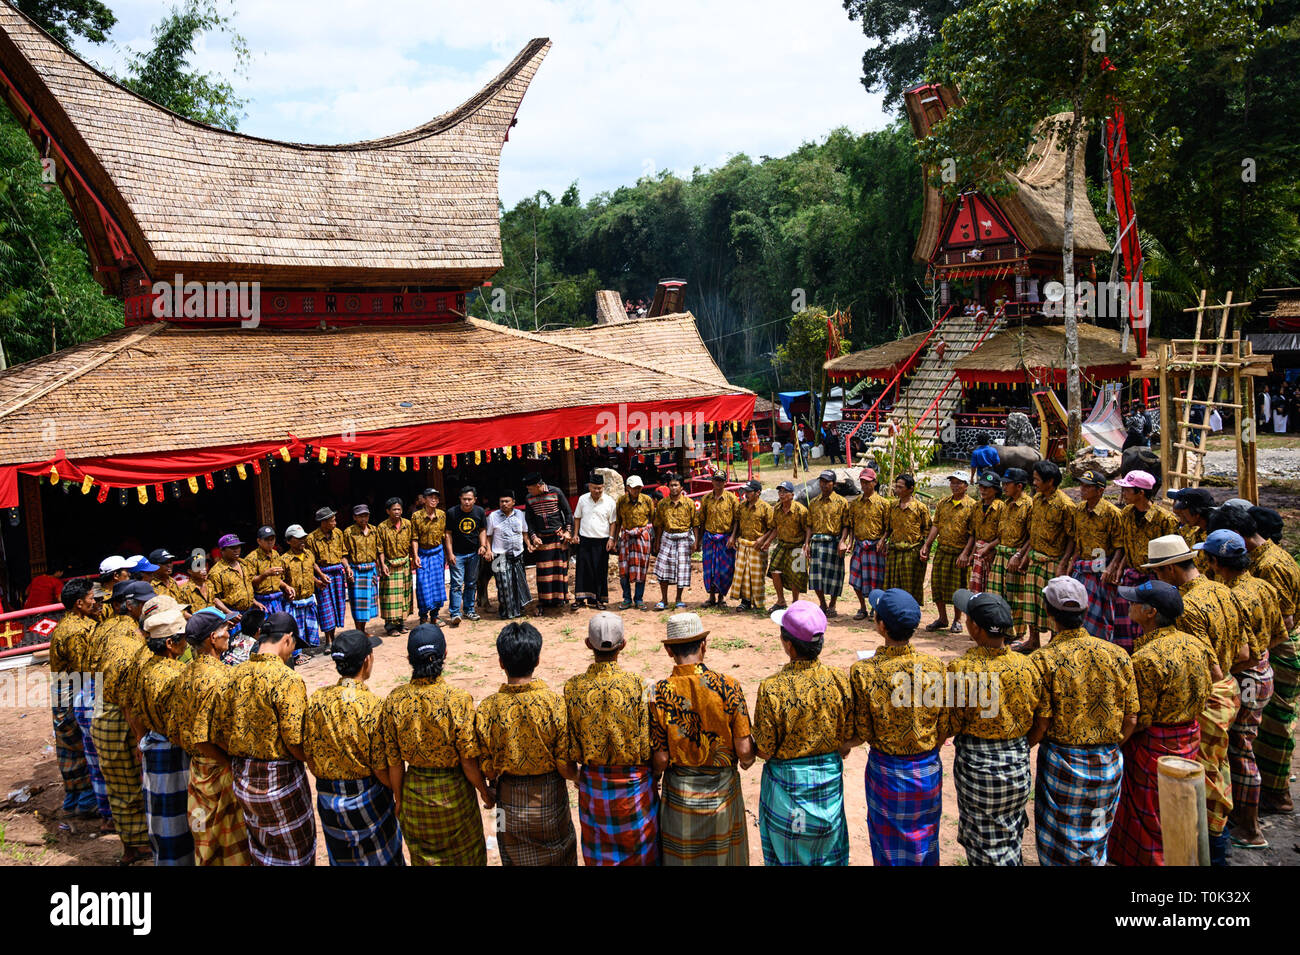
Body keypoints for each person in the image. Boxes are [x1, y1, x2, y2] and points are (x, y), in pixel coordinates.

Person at [1142, 532, 1241, 864]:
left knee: (1204, 782)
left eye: (1156, 573)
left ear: (1170, 570)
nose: (1156, 578)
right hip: (1229, 687)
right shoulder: (1221, 590)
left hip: (1207, 698)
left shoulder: (1185, 605)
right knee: (1216, 774)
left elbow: (1207, 668)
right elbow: (1241, 650)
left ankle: (1213, 855)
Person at [1028, 577, 1138, 866]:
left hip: (1062, 762)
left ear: (1049, 613)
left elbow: (1041, 723)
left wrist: (1026, 746)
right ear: (1086, 611)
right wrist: (1112, 745)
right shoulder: (1117, 654)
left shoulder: (1043, 660)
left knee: (1059, 842)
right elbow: (1131, 717)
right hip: (1108, 761)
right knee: (1096, 837)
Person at [1108, 581, 1212, 865]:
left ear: (1150, 612)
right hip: (1188, 736)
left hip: (1153, 746)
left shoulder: (1146, 659)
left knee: (1149, 817)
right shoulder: (1196, 644)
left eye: (1134, 602)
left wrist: (1115, 745)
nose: (1128, 605)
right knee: (1175, 810)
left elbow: (1139, 720)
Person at [945, 589, 1042, 865]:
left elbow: (951, 722)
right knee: (1010, 835)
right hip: (1017, 765)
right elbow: (1040, 719)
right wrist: (1020, 746)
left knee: (984, 847)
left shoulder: (961, 668)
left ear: (975, 628)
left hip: (978, 769)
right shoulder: (1027, 667)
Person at [849, 588, 946, 865]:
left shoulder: (865, 671)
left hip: (887, 772)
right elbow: (944, 721)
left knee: (887, 843)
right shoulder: (935, 666)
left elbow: (864, 730)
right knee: (927, 840)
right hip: (927, 769)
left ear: (881, 626)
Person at [381, 624, 492, 865]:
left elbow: (395, 762)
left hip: (416, 797)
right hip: (456, 798)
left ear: (409, 658)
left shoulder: (394, 701)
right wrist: (484, 792)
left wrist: (399, 800)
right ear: (445, 655)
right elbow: (468, 761)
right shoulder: (457, 699)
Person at [650, 612, 754, 865]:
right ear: (704, 645)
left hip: (680, 796)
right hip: (723, 796)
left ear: (668, 650)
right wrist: (747, 761)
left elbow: (661, 758)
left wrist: (653, 778)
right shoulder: (729, 685)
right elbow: (743, 750)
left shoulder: (657, 692)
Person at [755, 602, 852, 865]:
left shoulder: (771, 688)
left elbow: (764, 749)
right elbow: (847, 738)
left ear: (788, 645)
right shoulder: (839, 680)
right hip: (827, 788)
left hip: (787, 793)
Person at [1200, 529, 1279, 851]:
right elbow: (1281, 630)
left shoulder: (1232, 595)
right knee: (1240, 747)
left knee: (1239, 750)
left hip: (1244, 677)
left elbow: (1243, 653)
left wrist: (1222, 675)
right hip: (1262, 671)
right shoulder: (1261, 586)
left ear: (1216, 562)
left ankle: (1249, 827)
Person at [475, 622, 578, 865]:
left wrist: (488, 790)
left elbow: (488, 768)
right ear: (538, 660)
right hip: (551, 799)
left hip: (506, 803)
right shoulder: (554, 704)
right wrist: (579, 778)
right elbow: (564, 764)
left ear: (501, 662)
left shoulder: (488, 708)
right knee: (560, 853)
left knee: (509, 854)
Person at [219, 612, 315, 866]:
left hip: (243, 777)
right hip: (279, 780)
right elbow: (295, 739)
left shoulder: (234, 674)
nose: (292, 652)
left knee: (261, 850)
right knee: (295, 852)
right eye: (294, 646)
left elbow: (223, 726)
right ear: (287, 640)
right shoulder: (287, 679)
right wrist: (312, 763)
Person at [303, 629, 404, 866]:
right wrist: (398, 794)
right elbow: (381, 768)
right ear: (367, 660)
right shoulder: (373, 706)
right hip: (367, 797)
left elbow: (309, 752)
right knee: (381, 857)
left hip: (329, 798)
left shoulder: (317, 699)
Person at [564, 612, 658, 865]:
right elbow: (654, 736)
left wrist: (577, 776)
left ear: (587, 644)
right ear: (623, 644)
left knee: (598, 856)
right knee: (643, 855)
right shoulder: (644, 684)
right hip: (635, 787)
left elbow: (568, 744)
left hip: (595, 786)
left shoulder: (572, 687)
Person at [170, 609, 250, 865]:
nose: (229, 634)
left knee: (206, 842)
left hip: (198, 773)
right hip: (221, 771)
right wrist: (229, 763)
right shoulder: (223, 678)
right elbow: (204, 737)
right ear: (212, 639)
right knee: (231, 844)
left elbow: (176, 729)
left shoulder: (184, 674)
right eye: (225, 630)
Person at [1236, 506, 1300, 815]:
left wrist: (1255, 655)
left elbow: (1284, 621)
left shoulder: (1271, 566)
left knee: (1275, 724)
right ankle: (1268, 787)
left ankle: (1279, 796)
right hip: (1272, 649)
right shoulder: (1264, 558)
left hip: (1282, 650)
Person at [88, 579, 156, 865]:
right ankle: (136, 847)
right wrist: (140, 736)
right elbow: (128, 697)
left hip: (103, 708)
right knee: (129, 783)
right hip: (118, 716)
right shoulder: (127, 640)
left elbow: (91, 669)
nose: (148, 606)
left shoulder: (104, 628)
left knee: (121, 783)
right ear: (127, 605)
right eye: (143, 602)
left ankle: (134, 843)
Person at [133, 598, 195, 866]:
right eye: (182, 638)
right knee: (183, 817)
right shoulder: (178, 675)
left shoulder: (145, 668)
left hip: (153, 749)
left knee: (161, 819)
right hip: (174, 752)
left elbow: (136, 712)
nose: (186, 643)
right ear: (170, 644)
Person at [1104, 470, 1179, 651]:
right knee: (1126, 625)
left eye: (1127, 490)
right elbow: (1123, 544)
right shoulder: (1127, 514)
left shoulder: (1165, 520)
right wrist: (1116, 567)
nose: (1123, 494)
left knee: (1150, 624)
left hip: (1154, 580)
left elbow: (1173, 556)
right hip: (1131, 577)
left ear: (1141, 493)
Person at [47, 578, 99, 819]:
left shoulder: (65, 626)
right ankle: (87, 800)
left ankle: (74, 799)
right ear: (79, 603)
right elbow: (83, 672)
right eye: (91, 597)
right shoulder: (77, 631)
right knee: (83, 743)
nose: (95, 600)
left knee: (68, 746)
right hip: (75, 690)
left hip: (63, 689)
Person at [1009, 461, 1073, 652]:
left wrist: (1063, 563)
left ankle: (1054, 642)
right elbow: (1032, 532)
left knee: (1052, 604)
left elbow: (1071, 537)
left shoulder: (1066, 505)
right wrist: (1024, 555)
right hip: (1034, 559)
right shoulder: (1036, 499)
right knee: (1032, 604)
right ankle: (1033, 641)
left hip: (1054, 562)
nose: (1034, 483)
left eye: (1037, 479)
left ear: (1050, 481)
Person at [1062, 469, 1122, 644]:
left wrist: (1111, 568)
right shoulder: (1079, 510)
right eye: (1081, 485)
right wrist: (1070, 563)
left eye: (1087, 487)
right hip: (1082, 568)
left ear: (1100, 490)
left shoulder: (1112, 513)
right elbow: (1075, 539)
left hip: (1102, 570)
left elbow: (1120, 545)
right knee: (1078, 610)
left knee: (1102, 615)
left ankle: (1100, 646)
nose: (1082, 489)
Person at [921, 472, 976, 633]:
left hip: (960, 552)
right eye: (952, 482)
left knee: (959, 588)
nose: (955, 486)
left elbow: (973, 533)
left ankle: (957, 620)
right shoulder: (943, 503)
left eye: (959, 483)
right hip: (942, 550)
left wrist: (966, 553)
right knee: (938, 585)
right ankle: (942, 617)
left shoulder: (973, 506)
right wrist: (928, 544)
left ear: (966, 486)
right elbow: (936, 525)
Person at [524, 473, 575, 612]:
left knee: (560, 569)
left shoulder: (556, 492)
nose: (529, 491)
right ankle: (546, 601)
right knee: (544, 571)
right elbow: (529, 520)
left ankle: (560, 599)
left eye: (530, 488)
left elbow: (568, 513)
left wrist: (568, 532)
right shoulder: (529, 498)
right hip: (542, 540)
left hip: (557, 536)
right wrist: (533, 537)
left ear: (539, 486)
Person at [846, 468, 891, 621]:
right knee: (856, 579)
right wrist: (850, 542)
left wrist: (883, 540)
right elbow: (851, 525)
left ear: (875, 482)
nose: (864, 485)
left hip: (876, 546)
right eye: (862, 482)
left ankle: (875, 607)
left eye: (867, 482)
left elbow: (888, 527)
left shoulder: (884, 504)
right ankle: (862, 607)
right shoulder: (855, 503)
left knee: (876, 580)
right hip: (859, 546)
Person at [805, 469, 850, 618]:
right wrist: (807, 544)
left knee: (834, 576)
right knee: (816, 576)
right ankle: (822, 602)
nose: (824, 485)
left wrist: (842, 541)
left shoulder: (842, 502)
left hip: (834, 542)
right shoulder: (813, 503)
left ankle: (832, 603)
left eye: (827, 482)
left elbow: (846, 525)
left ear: (834, 484)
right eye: (821, 482)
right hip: (817, 542)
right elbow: (809, 525)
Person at [882, 473, 931, 605]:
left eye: (900, 487)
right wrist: (883, 540)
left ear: (910, 489)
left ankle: (910, 611)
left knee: (911, 585)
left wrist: (925, 549)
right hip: (894, 551)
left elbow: (927, 530)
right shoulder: (892, 506)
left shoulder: (920, 508)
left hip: (912, 552)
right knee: (893, 584)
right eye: (896, 486)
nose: (897, 489)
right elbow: (889, 528)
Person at [443, 487, 489, 625]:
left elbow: (482, 530)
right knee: (456, 584)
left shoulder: (479, 511)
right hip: (457, 555)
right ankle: (455, 613)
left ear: (475, 499)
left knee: (471, 583)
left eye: (470, 499)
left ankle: (469, 610)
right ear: (460, 499)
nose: (467, 502)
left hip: (474, 554)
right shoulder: (452, 512)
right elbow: (448, 534)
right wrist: (450, 553)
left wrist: (483, 546)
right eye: (464, 499)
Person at [307, 507, 352, 644]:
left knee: (338, 605)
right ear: (324, 522)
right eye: (332, 521)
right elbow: (311, 561)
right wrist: (320, 575)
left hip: (337, 574)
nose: (335, 523)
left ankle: (334, 636)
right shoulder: (312, 538)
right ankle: (328, 640)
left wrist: (347, 567)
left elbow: (343, 555)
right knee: (326, 607)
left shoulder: (338, 533)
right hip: (323, 576)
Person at [573, 473, 618, 609]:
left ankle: (599, 600)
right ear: (589, 487)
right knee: (582, 570)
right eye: (594, 488)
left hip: (602, 540)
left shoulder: (609, 501)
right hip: (585, 539)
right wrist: (575, 534)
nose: (597, 491)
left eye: (599, 488)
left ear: (603, 487)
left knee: (600, 571)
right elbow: (577, 517)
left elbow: (613, 522)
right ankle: (580, 599)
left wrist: (611, 539)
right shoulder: (582, 499)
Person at [651, 472, 696, 610]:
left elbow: (695, 524)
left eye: (676, 485)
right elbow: (658, 525)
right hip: (667, 537)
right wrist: (657, 542)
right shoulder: (663, 504)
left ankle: (678, 599)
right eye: (671, 485)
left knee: (681, 570)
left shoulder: (689, 504)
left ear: (682, 487)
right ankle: (664, 599)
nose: (673, 488)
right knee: (663, 570)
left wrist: (695, 542)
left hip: (684, 538)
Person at [762, 480, 809, 610]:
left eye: (785, 492)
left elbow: (807, 530)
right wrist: (767, 541)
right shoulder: (776, 509)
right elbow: (776, 528)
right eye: (780, 492)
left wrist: (806, 545)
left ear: (792, 495)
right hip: (782, 545)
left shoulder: (801, 510)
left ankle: (795, 603)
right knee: (774, 571)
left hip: (797, 546)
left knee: (796, 576)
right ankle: (781, 601)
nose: (782, 495)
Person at [697, 469, 740, 608]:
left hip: (726, 539)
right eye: (716, 480)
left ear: (725, 482)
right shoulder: (706, 499)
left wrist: (733, 537)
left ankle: (721, 598)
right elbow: (702, 521)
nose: (718, 483)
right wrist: (699, 541)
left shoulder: (732, 499)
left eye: (721, 481)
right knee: (709, 569)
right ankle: (711, 597)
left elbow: (737, 521)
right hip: (709, 538)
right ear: (712, 481)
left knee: (724, 569)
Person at [729, 479, 773, 613]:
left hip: (757, 546)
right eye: (745, 491)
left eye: (749, 491)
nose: (746, 494)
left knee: (757, 575)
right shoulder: (742, 506)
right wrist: (733, 536)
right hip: (743, 543)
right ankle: (745, 602)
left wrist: (763, 539)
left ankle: (758, 602)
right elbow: (737, 522)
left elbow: (772, 528)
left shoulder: (766, 508)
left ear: (757, 493)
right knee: (743, 575)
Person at [282, 524, 326, 653]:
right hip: (295, 601)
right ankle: (297, 654)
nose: (302, 541)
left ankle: (308, 649)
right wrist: (286, 587)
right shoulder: (284, 560)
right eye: (298, 538)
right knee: (297, 628)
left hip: (309, 598)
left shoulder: (308, 554)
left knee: (310, 626)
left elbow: (308, 571)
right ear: (289, 541)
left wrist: (317, 581)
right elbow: (278, 579)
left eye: (303, 538)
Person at [613, 474, 655, 610]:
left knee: (641, 569)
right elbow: (618, 522)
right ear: (628, 488)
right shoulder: (621, 501)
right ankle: (626, 598)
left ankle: (639, 598)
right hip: (626, 537)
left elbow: (654, 520)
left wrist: (655, 539)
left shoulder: (647, 500)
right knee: (624, 570)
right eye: (634, 488)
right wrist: (614, 540)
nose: (637, 490)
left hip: (642, 537)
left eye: (639, 488)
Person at [376, 497, 417, 635]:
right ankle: (390, 626)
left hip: (405, 563)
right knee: (390, 596)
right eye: (394, 509)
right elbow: (380, 549)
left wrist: (413, 558)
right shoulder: (382, 527)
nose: (397, 512)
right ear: (388, 511)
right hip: (390, 564)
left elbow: (412, 541)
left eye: (399, 509)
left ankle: (401, 623)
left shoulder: (407, 524)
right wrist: (382, 565)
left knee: (404, 594)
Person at [410, 490, 447, 625]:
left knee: (438, 584)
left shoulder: (442, 515)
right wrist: (415, 556)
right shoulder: (416, 516)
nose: (434, 500)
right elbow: (414, 538)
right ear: (424, 499)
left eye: (436, 498)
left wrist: (447, 554)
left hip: (438, 553)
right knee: (422, 585)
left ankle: (435, 615)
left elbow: (445, 536)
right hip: (422, 554)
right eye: (431, 497)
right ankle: (423, 616)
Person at [344, 505, 380, 630]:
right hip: (357, 570)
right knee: (357, 603)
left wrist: (380, 566)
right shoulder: (349, 532)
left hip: (371, 569)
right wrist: (348, 568)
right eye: (360, 516)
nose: (363, 518)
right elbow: (344, 554)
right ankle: (358, 630)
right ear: (354, 517)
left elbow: (379, 550)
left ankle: (363, 630)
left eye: (365, 515)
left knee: (368, 603)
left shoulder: (374, 530)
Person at [967, 471, 1003, 594]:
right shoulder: (976, 506)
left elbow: (1003, 535)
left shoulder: (1002, 508)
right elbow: (974, 533)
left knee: (991, 589)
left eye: (987, 488)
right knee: (976, 590)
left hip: (993, 553)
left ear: (996, 490)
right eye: (981, 487)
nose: (983, 490)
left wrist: (990, 548)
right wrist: (971, 554)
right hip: (979, 552)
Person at [245, 526, 291, 617]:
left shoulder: (276, 554)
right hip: (261, 600)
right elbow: (249, 583)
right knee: (264, 629)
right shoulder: (251, 558)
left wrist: (286, 586)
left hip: (277, 599)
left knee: (279, 629)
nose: (270, 542)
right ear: (259, 541)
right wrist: (265, 574)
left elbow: (277, 579)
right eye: (266, 539)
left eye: (272, 539)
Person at [1169, 487, 1215, 576]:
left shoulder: (1214, 538)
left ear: (1196, 514)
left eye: (1184, 512)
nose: (1184, 517)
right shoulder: (1196, 534)